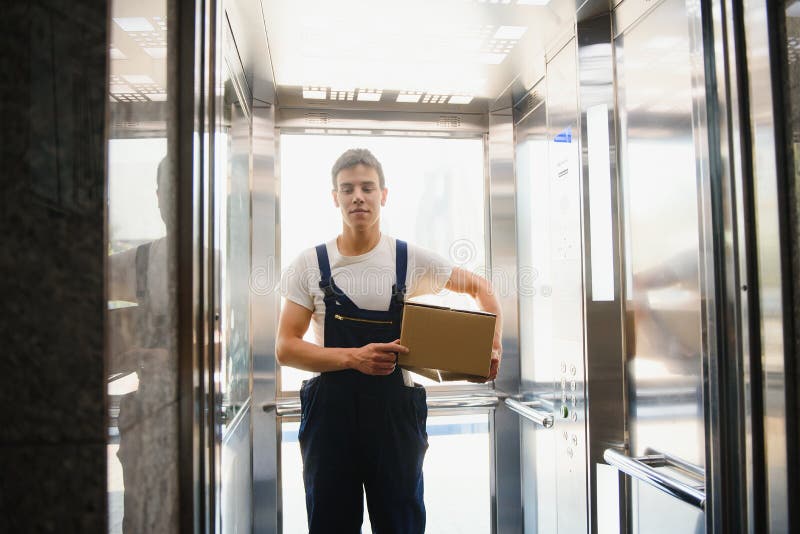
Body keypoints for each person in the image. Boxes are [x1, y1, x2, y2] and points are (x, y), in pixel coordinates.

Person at [276, 148, 502, 533]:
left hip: (394, 419)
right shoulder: (309, 264)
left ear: (384, 194)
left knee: (401, 525)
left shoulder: (408, 259)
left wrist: (490, 350)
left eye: (367, 187)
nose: (357, 196)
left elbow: (480, 289)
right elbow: (286, 347)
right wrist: (353, 358)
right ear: (335, 198)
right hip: (331, 420)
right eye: (347, 189)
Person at [108, 156, 178, 533]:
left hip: (196, 410)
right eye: (170, 189)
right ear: (158, 196)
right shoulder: (139, 260)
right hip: (148, 406)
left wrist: (166, 356)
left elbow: (236, 346)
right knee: (139, 516)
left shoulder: (220, 263)